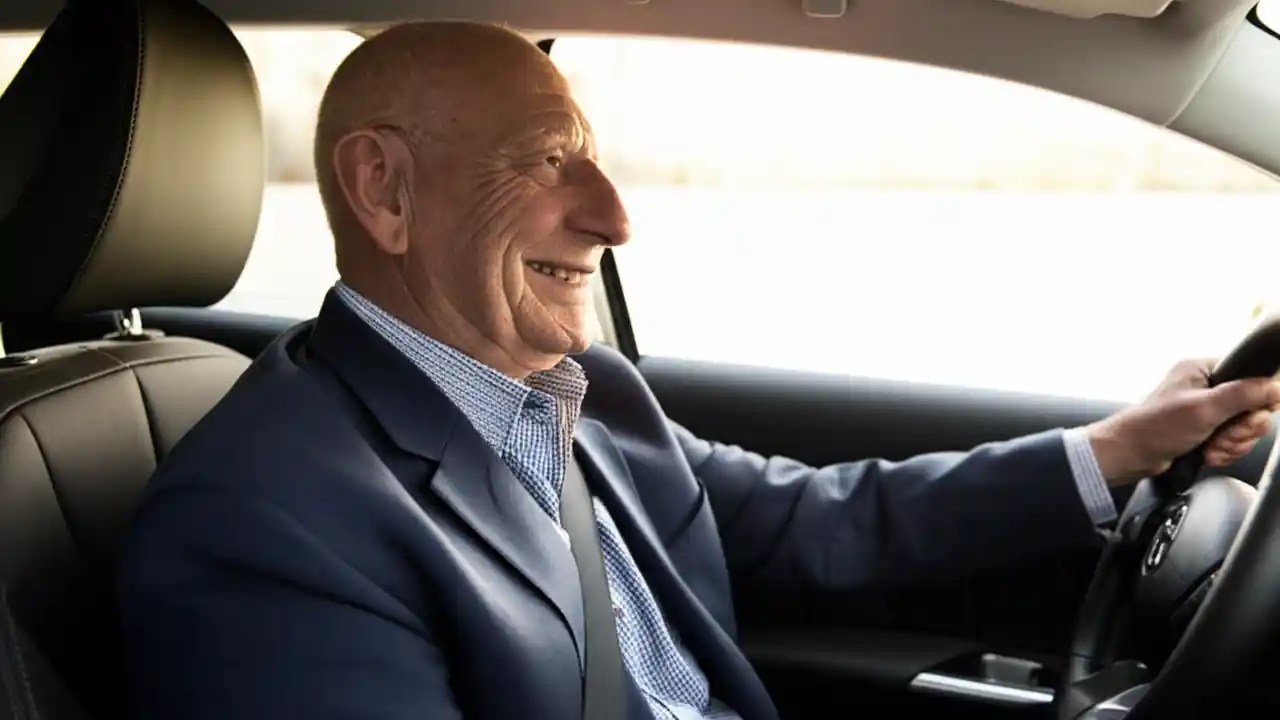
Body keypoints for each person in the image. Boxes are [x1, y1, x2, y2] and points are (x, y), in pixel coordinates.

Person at [116, 21, 1280, 720]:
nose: (612, 214)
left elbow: (814, 522)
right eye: (548, 162)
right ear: (385, 192)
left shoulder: (585, 397)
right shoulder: (262, 519)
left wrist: (1119, 448)